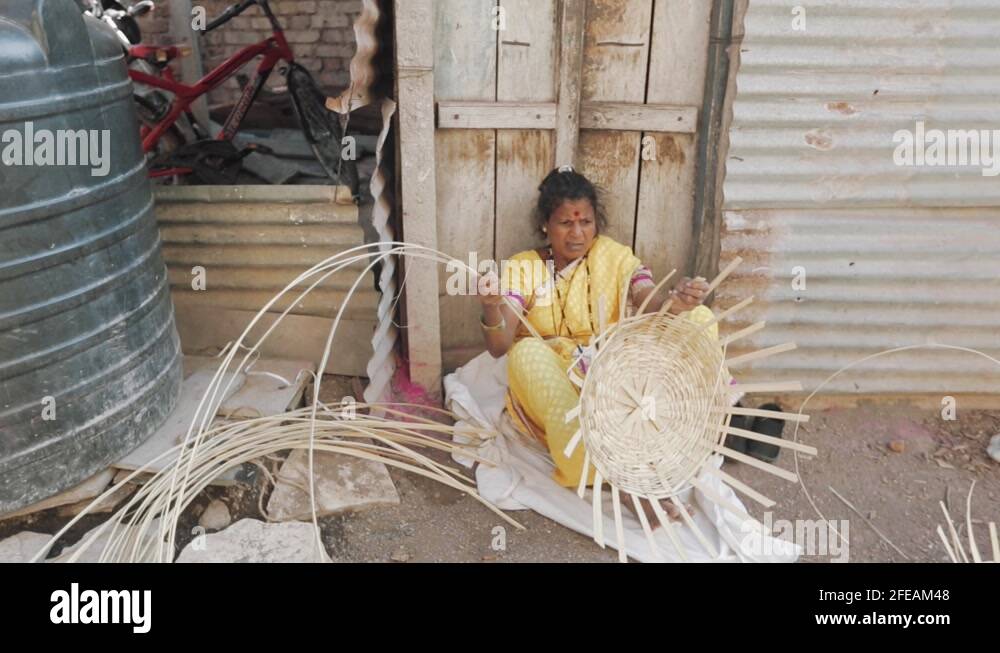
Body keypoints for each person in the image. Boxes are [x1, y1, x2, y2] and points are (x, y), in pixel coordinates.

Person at [474, 166, 717, 523]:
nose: (577, 234)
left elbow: (649, 303)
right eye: (565, 224)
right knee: (523, 352)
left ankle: (673, 427)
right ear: (545, 224)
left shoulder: (614, 258)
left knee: (698, 320)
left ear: (596, 223)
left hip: (617, 373)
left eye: (585, 222)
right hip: (559, 380)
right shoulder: (524, 267)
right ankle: (624, 483)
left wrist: (675, 306)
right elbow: (499, 346)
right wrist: (491, 305)